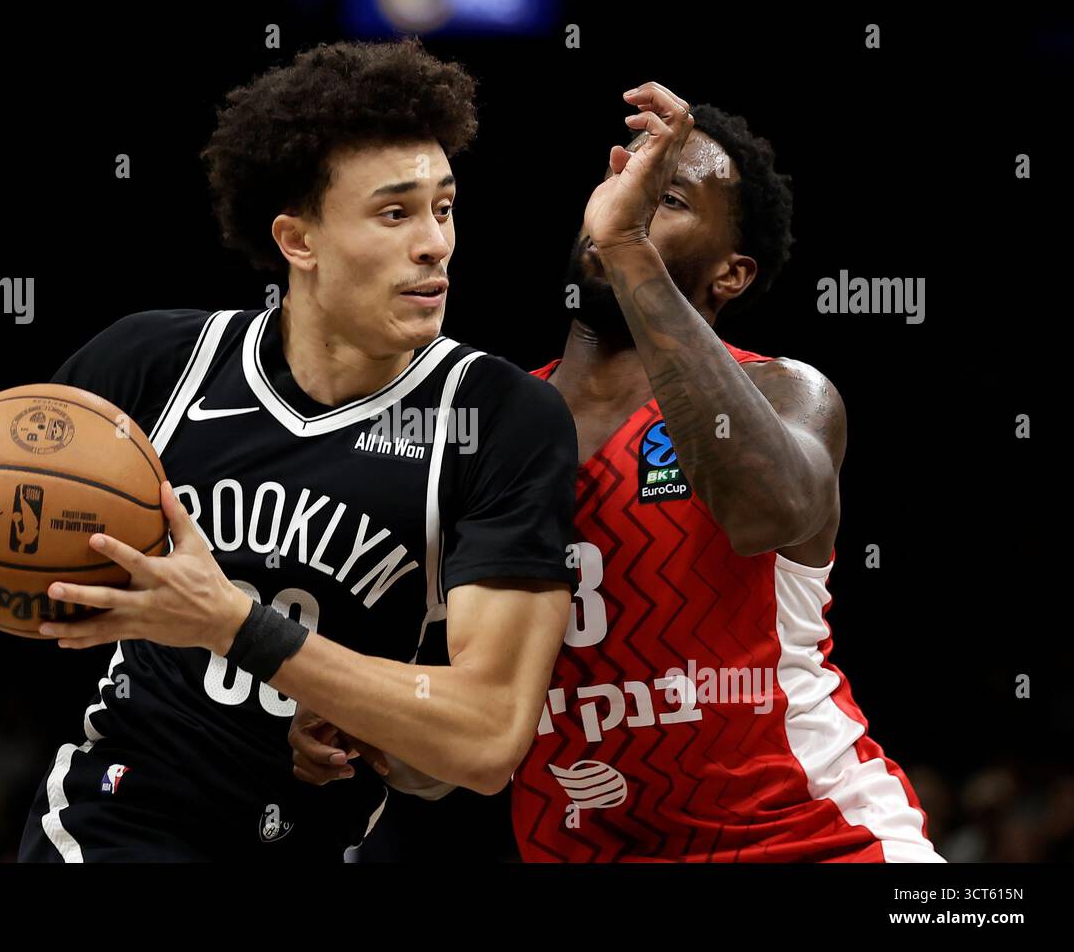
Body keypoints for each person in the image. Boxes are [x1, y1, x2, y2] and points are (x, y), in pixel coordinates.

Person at [0, 38, 577, 862]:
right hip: (109, 827)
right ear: (298, 240)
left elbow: (488, 738)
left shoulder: (498, 417)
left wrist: (238, 628)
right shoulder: (153, 366)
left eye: (445, 206)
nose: (435, 243)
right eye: (395, 213)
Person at [294, 83, 943, 863]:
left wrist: (627, 244)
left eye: (664, 197)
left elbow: (768, 513)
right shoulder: (476, 435)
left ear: (730, 275)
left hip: (812, 839)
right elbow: (456, 755)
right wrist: (363, 732)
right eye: (622, 185)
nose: (623, 203)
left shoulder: (785, 391)